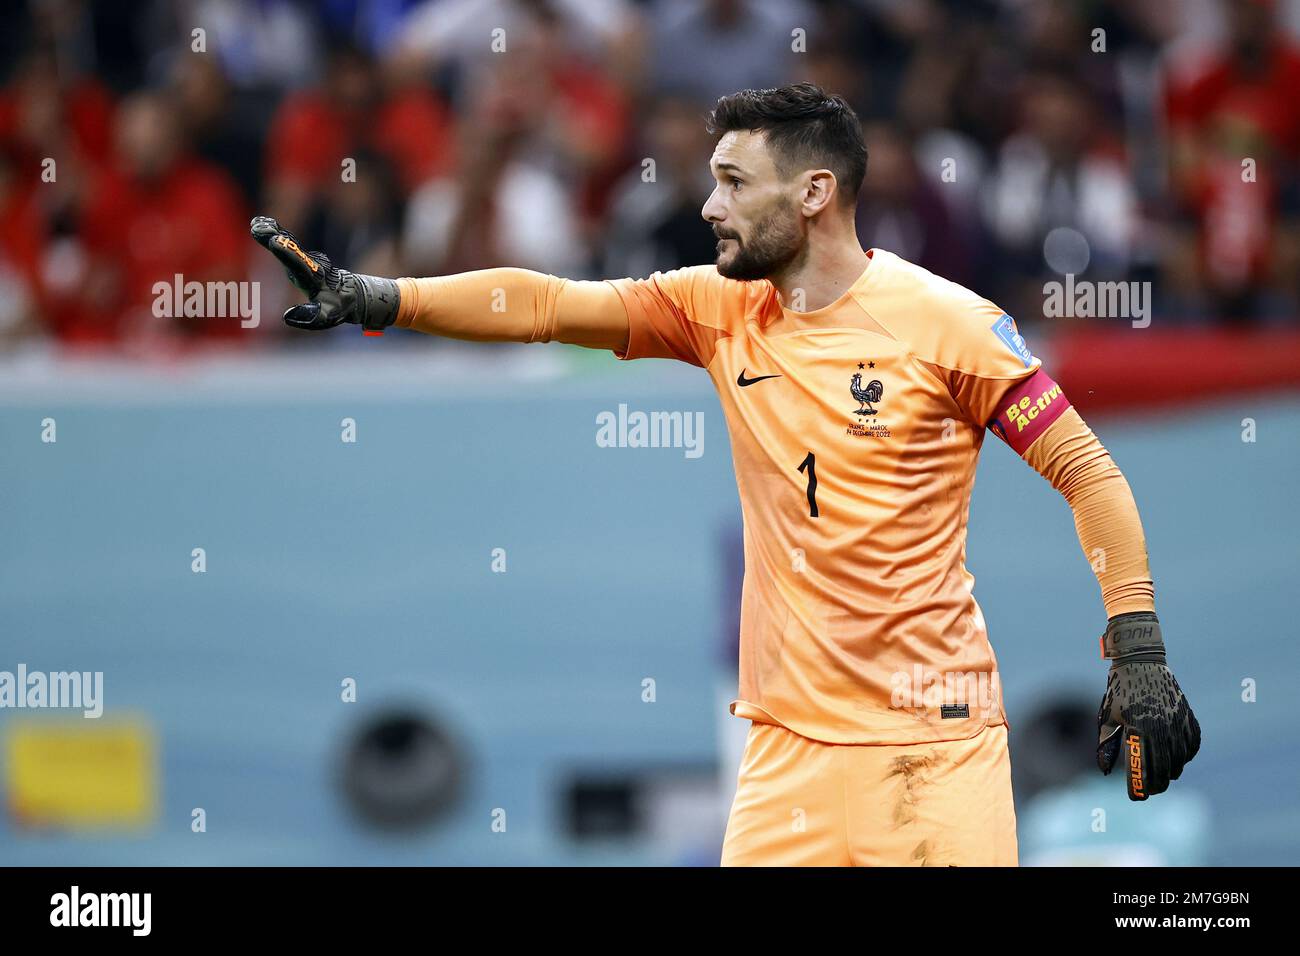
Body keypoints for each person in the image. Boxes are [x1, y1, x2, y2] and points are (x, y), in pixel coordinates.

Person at [250, 83, 1200, 866]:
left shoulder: (946, 321)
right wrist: (380, 297)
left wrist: (1138, 640)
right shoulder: (716, 309)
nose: (709, 208)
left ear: (814, 194)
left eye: (733, 183)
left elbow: (1086, 470)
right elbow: (544, 304)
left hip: (932, 744)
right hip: (785, 756)